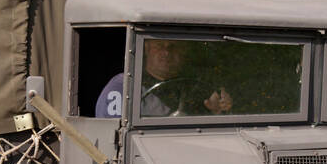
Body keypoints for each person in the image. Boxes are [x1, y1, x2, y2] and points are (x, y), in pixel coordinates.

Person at [96, 39, 232, 118]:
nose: (166, 52)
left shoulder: (195, 87)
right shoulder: (123, 87)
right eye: (159, 45)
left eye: (174, 47)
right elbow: (115, 135)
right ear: (147, 48)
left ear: (183, 52)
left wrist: (219, 107)